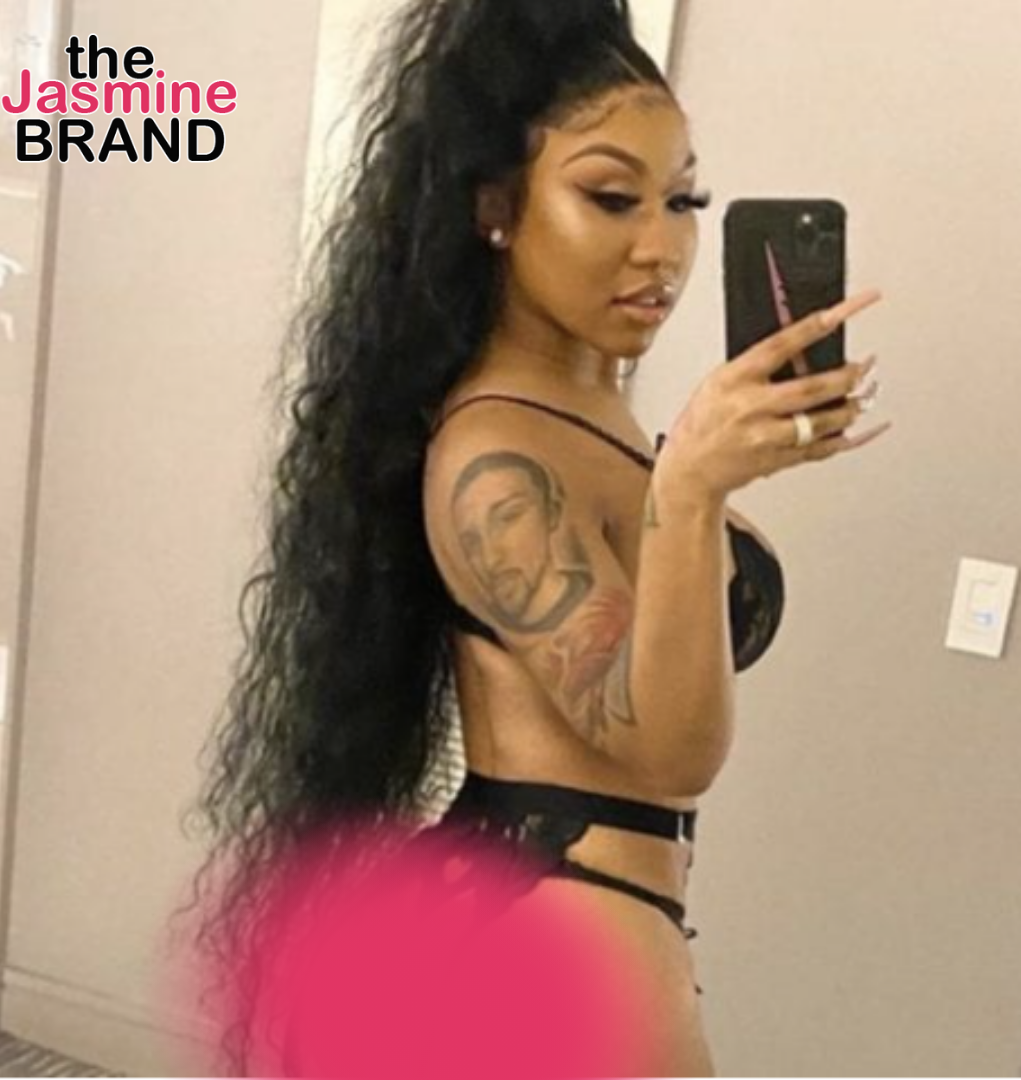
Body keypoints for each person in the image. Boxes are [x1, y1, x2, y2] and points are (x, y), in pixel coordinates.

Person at [176, 0, 888, 1075]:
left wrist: (707, 476)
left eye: (684, 200)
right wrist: (693, 487)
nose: (663, 247)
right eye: (611, 197)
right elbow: (668, 751)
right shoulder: (494, 456)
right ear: (496, 206)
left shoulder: (584, 408)